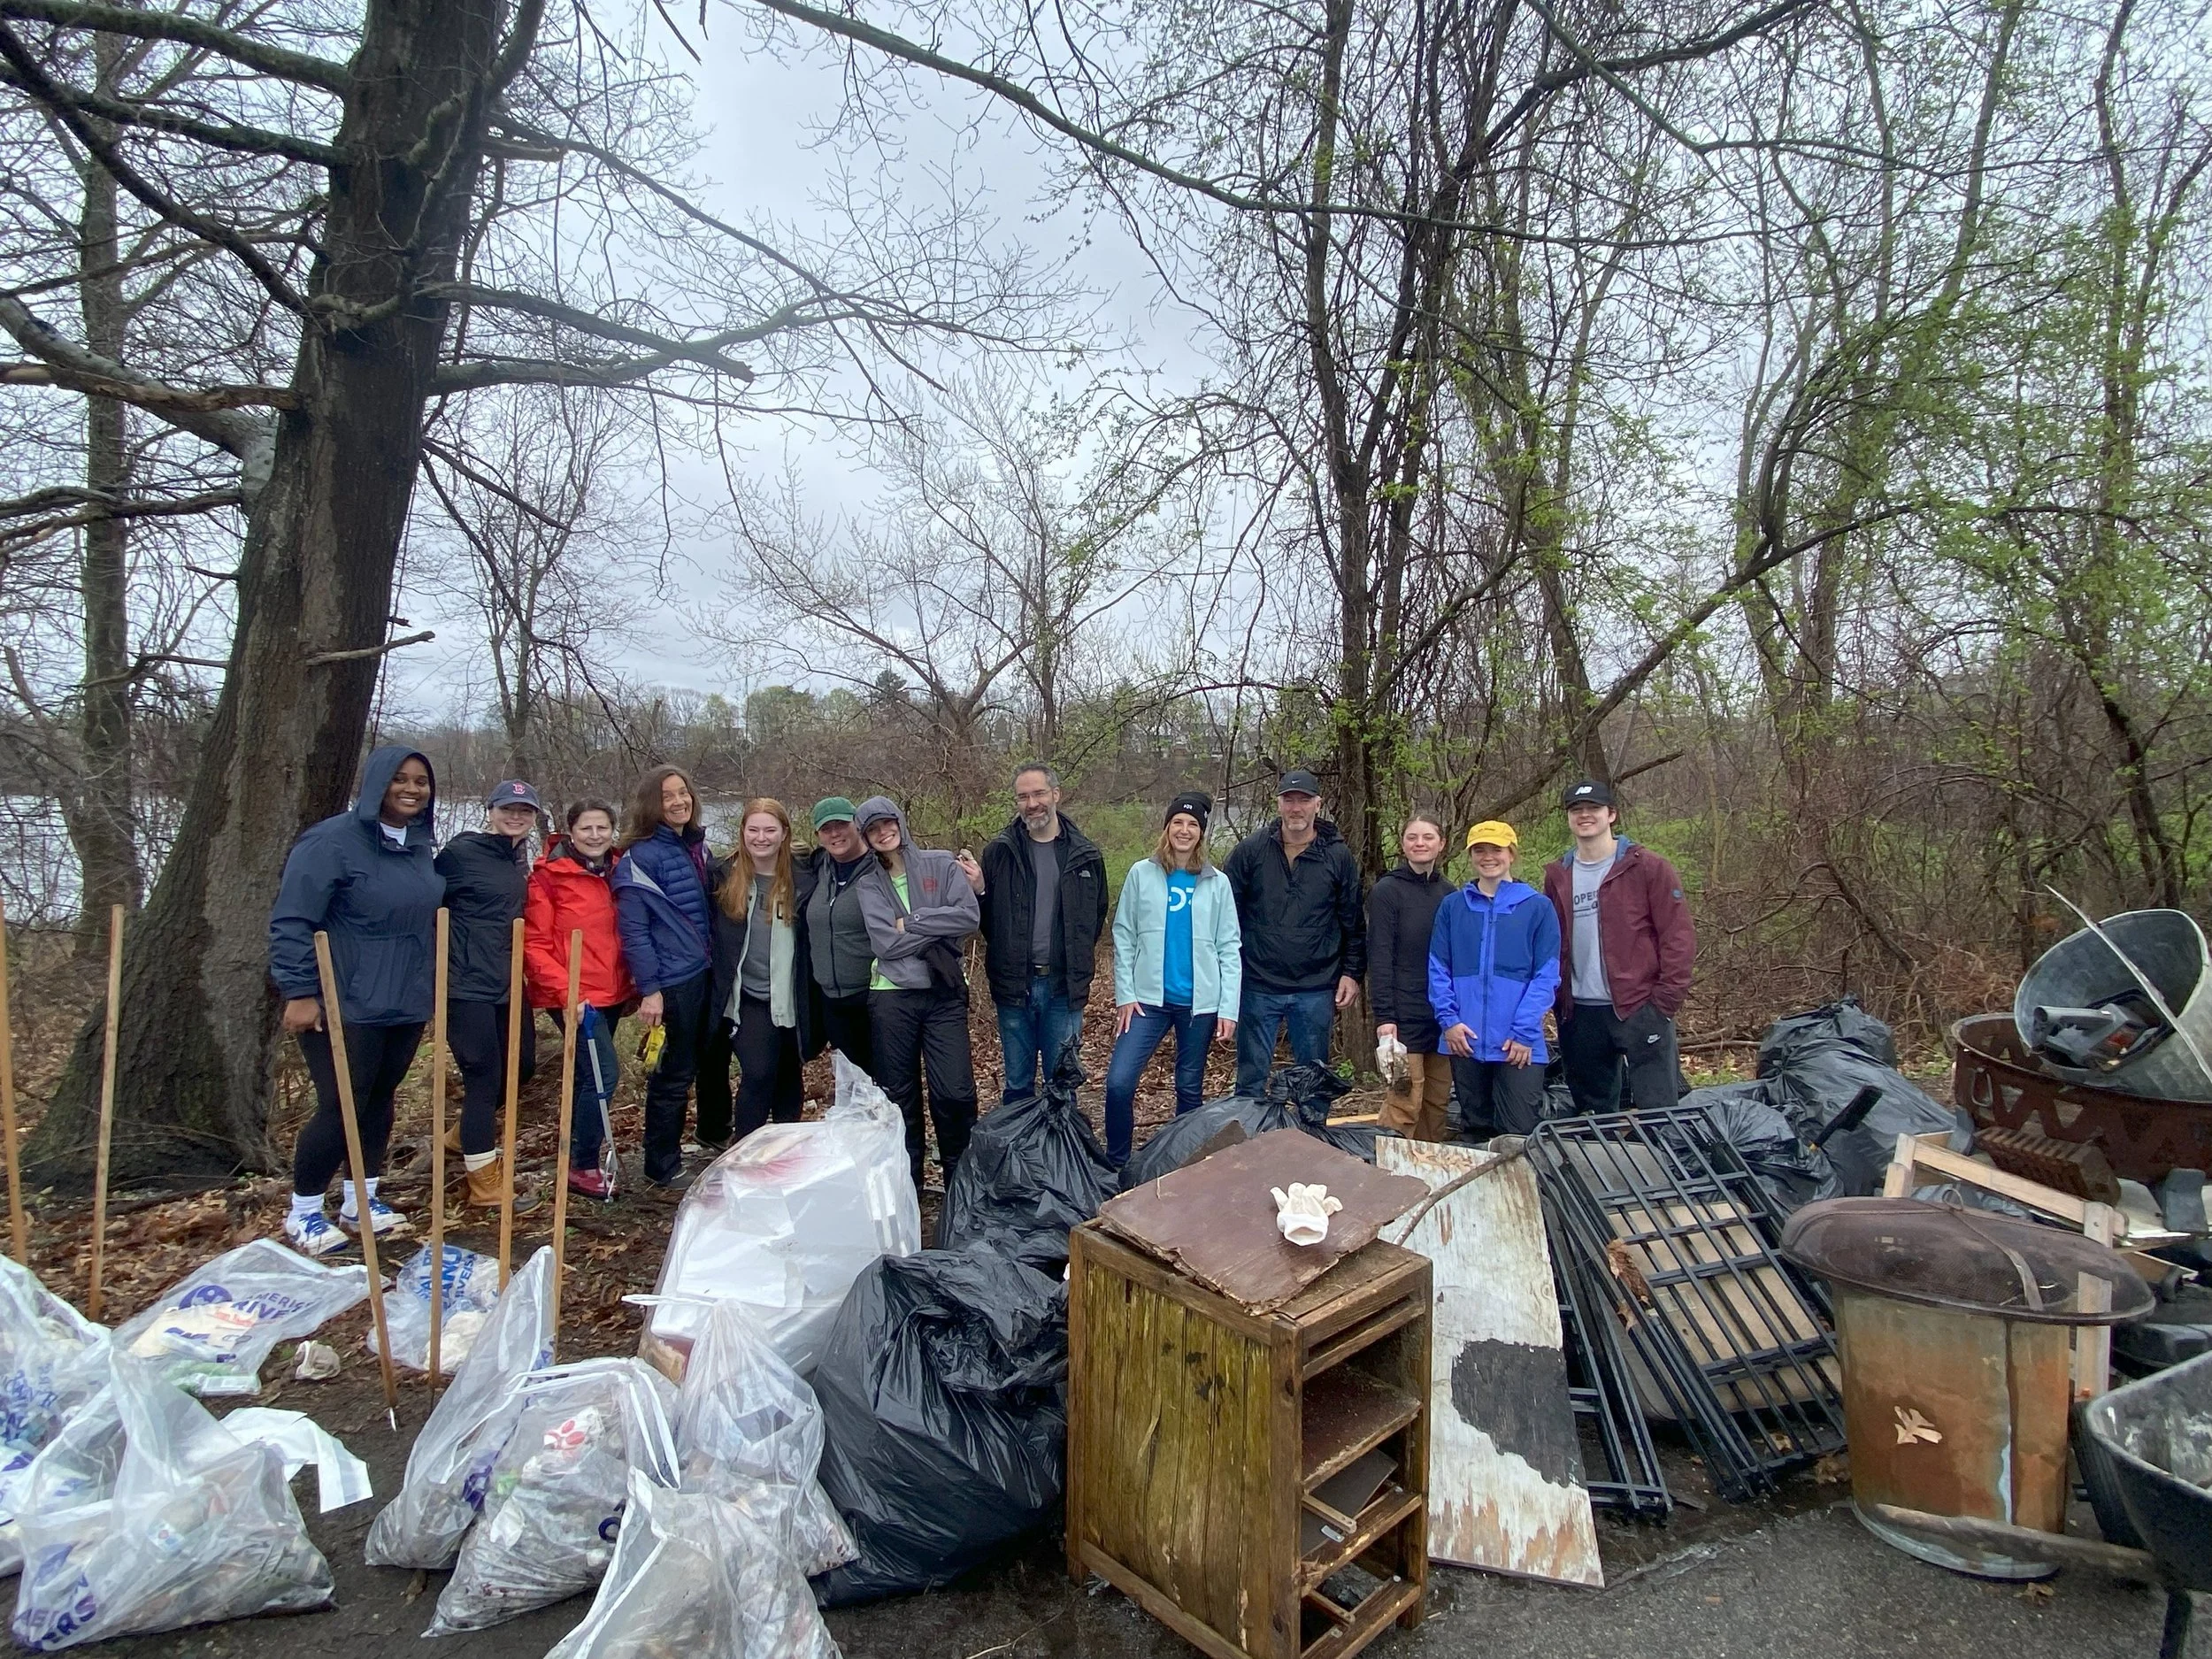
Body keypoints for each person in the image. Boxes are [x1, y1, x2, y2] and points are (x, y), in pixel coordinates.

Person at [267, 747, 442, 1256]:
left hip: (405, 997)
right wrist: (300, 991)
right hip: (344, 1000)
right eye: (400, 780)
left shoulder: (417, 845)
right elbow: (293, 920)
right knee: (342, 1103)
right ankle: (303, 1211)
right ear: (376, 784)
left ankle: (359, 1200)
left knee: (379, 1098)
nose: (411, 790)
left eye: (421, 783)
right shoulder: (330, 843)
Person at [1102, 793, 1240, 1166]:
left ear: (1201, 834)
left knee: (1189, 1087)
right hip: (1148, 1002)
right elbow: (1124, 935)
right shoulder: (1141, 874)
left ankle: (1182, 1165)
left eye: (1193, 824)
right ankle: (1116, 1164)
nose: (1185, 830)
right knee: (1118, 1083)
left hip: (1199, 1004)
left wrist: (1228, 1008)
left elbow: (1229, 946)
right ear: (1167, 829)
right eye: (1178, 822)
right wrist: (1125, 995)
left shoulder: (1217, 883)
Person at [1542, 780, 1696, 1114]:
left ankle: (1662, 1165)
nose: (1585, 816)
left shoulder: (1648, 867)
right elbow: (1552, 943)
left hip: (1638, 1006)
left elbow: (1678, 938)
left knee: (1659, 1111)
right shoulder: (1558, 875)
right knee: (1593, 1116)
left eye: (1593, 809)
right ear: (1569, 818)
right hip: (1580, 1013)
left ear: (1611, 814)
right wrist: (1558, 1001)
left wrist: (1663, 1003)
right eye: (1576, 810)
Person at [957, 764, 1108, 1102]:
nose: (1032, 803)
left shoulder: (1086, 855)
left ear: (1056, 794)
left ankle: (1062, 1154)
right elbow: (988, 925)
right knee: (1018, 1085)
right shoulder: (1000, 852)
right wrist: (980, 890)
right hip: (1014, 988)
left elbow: (1093, 920)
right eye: (1023, 797)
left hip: (1062, 989)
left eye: (1039, 793)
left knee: (1062, 1085)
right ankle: (1020, 1153)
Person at [853, 795, 981, 1188]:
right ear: (866, 837)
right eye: (872, 829)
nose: (882, 833)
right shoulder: (868, 884)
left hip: (942, 993)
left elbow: (968, 916)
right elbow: (884, 946)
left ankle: (960, 1181)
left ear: (901, 823)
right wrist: (936, 929)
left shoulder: (941, 865)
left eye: (887, 824)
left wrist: (912, 922)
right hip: (893, 998)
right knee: (900, 1095)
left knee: (955, 1091)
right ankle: (908, 1183)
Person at [1223, 769, 1367, 1096]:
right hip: (1258, 983)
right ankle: (1251, 1139)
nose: (1296, 808)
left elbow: (1353, 921)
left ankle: (1312, 1139)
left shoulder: (1337, 856)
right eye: (1289, 800)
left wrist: (1351, 973)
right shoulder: (1251, 851)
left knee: (1313, 1080)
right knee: (1250, 1080)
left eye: (1304, 800)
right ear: (1278, 804)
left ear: (1318, 804)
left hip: (1315, 986)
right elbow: (1226, 915)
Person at [435, 780, 541, 1213]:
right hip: (465, 984)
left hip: (508, 982)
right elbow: (424, 904)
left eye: (525, 811)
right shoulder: (459, 855)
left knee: (523, 1066)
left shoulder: (518, 859)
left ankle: (463, 1136)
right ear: (490, 809)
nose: (515, 816)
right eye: (507, 808)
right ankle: (485, 1183)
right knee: (483, 1075)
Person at [611, 764, 717, 1194]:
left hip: (701, 971)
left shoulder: (690, 845)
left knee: (697, 1061)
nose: (679, 802)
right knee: (673, 1072)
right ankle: (661, 1166)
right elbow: (634, 931)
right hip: (673, 981)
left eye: (684, 793)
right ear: (652, 804)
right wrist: (649, 990)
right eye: (668, 796)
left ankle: (702, 1138)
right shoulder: (642, 858)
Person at [524, 797, 635, 1201]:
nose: (595, 836)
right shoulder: (549, 876)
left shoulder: (620, 869)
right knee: (604, 1074)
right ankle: (582, 1165)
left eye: (602, 828)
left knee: (589, 1076)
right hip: (572, 994)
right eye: (586, 828)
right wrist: (569, 994)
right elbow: (534, 945)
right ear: (571, 832)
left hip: (613, 991)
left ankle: (572, 1152)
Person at [1430, 821, 1560, 1137]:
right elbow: (1437, 967)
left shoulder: (1537, 907)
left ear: (1511, 854)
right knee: (1475, 1129)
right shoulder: (1453, 906)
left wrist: (1525, 1030)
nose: (1488, 857)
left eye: (1496, 850)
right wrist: (1449, 1021)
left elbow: (1547, 974)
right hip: (1466, 1041)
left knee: (1518, 1133)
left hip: (1518, 1044)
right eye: (1480, 850)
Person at [709, 798, 807, 1143]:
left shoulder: (803, 874)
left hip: (793, 995)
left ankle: (784, 1150)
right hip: (748, 996)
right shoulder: (722, 874)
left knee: (790, 1076)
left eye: (770, 830)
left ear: (784, 834)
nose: (761, 838)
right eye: (753, 829)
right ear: (742, 833)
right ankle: (743, 1151)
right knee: (759, 1072)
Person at [1367, 816, 1452, 1141]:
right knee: (1405, 1101)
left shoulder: (1449, 893)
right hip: (1403, 1017)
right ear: (1402, 844)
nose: (1420, 843)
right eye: (1412, 837)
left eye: (1428, 837)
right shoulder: (1388, 891)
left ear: (1441, 843)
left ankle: (1431, 1172)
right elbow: (1380, 955)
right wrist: (1385, 1016)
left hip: (1442, 1016)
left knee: (1437, 1101)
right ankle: (1390, 1177)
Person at [800, 797, 876, 1071]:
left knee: (889, 1081)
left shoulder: (881, 867)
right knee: (853, 1084)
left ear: (857, 825)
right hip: (832, 1002)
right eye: (826, 828)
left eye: (841, 825)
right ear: (818, 835)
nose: (835, 834)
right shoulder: (818, 868)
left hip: (875, 998)